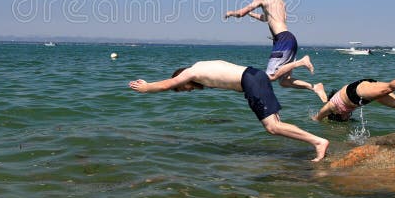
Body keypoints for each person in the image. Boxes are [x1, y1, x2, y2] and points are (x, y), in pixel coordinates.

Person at [128, 60, 329, 161]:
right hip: (254, 75)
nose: (186, 91)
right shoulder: (201, 66)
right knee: (276, 124)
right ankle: (316, 142)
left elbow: (166, 85)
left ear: (183, 78)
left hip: (250, 81)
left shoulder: (191, 72)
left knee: (273, 127)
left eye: (182, 88)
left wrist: (146, 87)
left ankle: (318, 142)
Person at [224, 0, 320, 97]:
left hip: (282, 40)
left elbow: (241, 13)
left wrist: (231, 13)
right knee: (284, 81)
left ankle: (301, 62)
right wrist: (252, 14)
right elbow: (267, 18)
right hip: (290, 39)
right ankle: (314, 87)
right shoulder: (281, 2)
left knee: (270, 76)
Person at [308, 76, 395, 127]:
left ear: (337, 115)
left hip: (356, 91)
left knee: (388, 88)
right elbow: (324, 99)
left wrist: (315, 119)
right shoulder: (335, 106)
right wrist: (320, 90)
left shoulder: (332, 107)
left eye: (344, 117)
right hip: (362, 97)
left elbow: (319, 115)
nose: (347, 117)